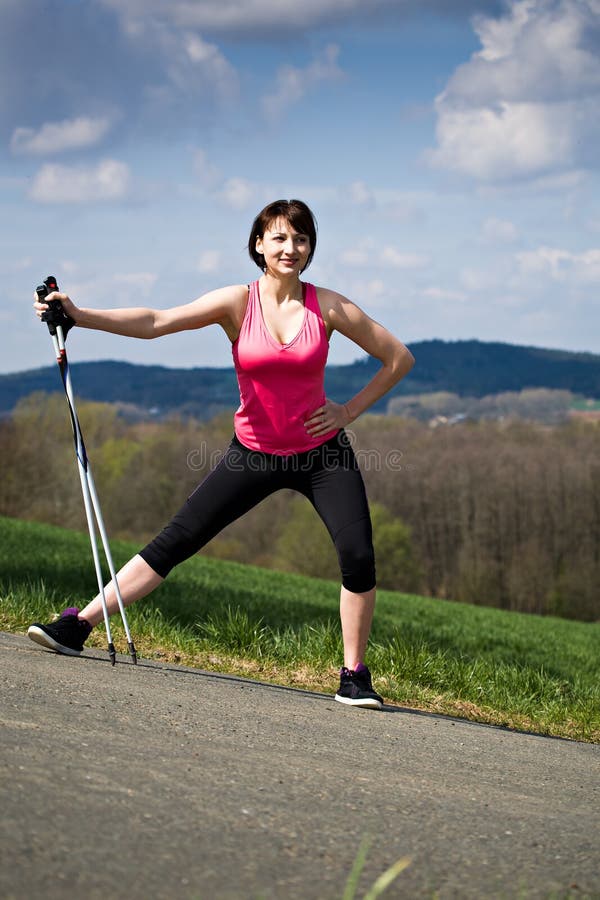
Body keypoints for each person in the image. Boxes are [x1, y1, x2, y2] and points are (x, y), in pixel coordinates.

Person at [28, 199, 415, 709]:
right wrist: (80, 315)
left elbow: (397, 358)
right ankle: (78, 625)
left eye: (300, 239)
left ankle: (354, 675)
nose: (290, 248)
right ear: (258, 243)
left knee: (358, 555)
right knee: (177, 539)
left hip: (322, 454)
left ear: (310, 248)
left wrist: (348, 412)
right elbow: (157, 321)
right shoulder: (238, 302)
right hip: (253, 452)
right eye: (278, 238)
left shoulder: (330, 306)